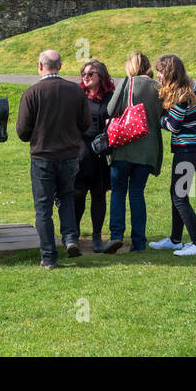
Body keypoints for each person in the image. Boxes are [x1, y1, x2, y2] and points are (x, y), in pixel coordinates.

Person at [16, 49, 87, 268]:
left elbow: (22, 131)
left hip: (42, 156)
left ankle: (48, 257)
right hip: (69, 155)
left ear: (40, 66)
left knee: (43, 208)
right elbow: (85, 123)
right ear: (61, 66)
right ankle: (70, 238)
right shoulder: (75, 91)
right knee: (65, 197)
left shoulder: (32, 93)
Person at [102, 52, 163, 253]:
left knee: (118, 191)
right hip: (147, 150)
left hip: (124, 147)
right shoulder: (158, 87)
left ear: (130, 66)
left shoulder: (127, 83)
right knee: (137, 193)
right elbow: (164, 114)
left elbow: (111, 110)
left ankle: (116, 236)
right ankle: (139, 242)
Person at [150, 53, 196, 256]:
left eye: (160, 71)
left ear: (170, 73)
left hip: (188, 150)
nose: (158, 75)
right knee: (176, 195)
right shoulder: (189, 87)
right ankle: (175, 240)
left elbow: (173, 125)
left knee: (179, 197)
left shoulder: (181, 95)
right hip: (191, 148)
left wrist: (156, 119)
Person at [75, 59, 115, 252]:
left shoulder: (110, 98)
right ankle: (73, 233)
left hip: (101, 154)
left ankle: (97, 236)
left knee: (98, 195)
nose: (86, 76)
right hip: (81, 152)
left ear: (101, 76)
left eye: (90, 73)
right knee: (78, 193)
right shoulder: (78, 96)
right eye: (83, 73)